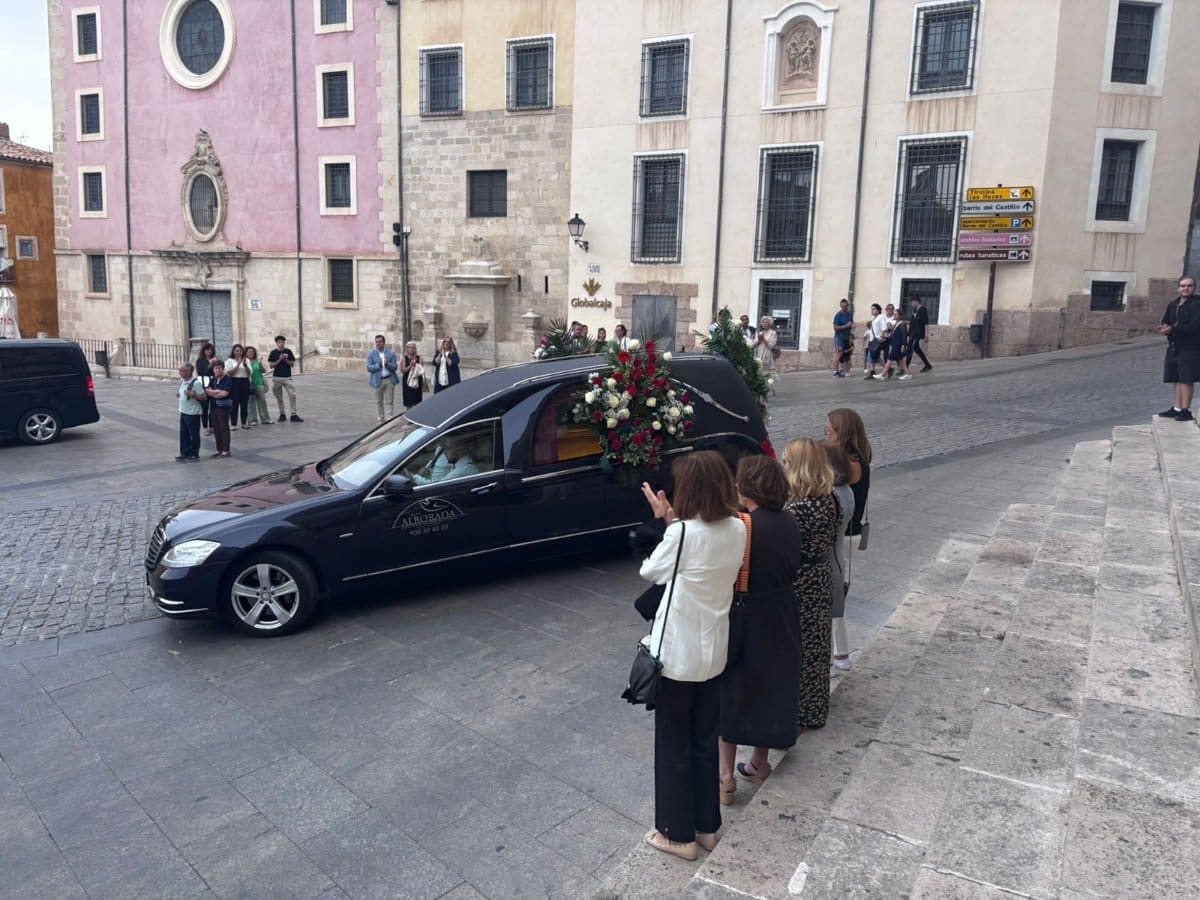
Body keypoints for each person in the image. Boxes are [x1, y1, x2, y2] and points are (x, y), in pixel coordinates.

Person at [638, 451, 747, 860]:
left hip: (678, 656)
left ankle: (676, 833)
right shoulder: (737, 528)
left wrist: (665, 523)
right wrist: (674, 525)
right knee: (704, 740)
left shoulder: (683, 535)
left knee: (672, 744)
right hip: (713, 651)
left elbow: (651, 572)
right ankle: (706, 827)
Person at [718, 456, 805, 805]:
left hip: (746, 614)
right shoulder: (790, 521)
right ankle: (759, 762)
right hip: (782, 611)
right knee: (770, 686)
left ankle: (725, 777)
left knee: (732, 689)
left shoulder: (742, 526)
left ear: (748, 486)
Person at [782, 438, 840, 732]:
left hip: (801, 580)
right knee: (817, 645)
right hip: (821, 575)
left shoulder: (798, 509)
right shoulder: (829, 499)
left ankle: (799, 714)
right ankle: (815, 708)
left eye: (787, 460)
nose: (783, 463)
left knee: (798, 647)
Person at [822, 441, 856, 671]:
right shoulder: (845, 491)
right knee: (835, 612)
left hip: (828, 560)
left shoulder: (831, 496)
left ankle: (833, 659)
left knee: (827, 614)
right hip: (836, 557)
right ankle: (841, 654)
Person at [825, 406, 872, 564]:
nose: (827, 434)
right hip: (849, 530)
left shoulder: (848, 462)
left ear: (841, 433)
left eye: (829, 429)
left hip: (846, 533)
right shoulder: (856, 457)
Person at [1156, 275, 1200, 421]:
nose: (1186, 288)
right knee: (1176, 377)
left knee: (1186, 379)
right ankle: (1177, 407)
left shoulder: (1197, 303)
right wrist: (1163, 328)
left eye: (1189, 286)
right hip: (1175, 346)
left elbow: (1195, 326)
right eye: (1183, 286)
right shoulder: (1173, 304)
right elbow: (1166, 320)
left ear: (1194, 288)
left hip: (1191, 347)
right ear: (1178, 288)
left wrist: (1173, 329)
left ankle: (1185, 410)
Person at [411, 434, 479, 484]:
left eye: (448, 448)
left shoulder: (463, 470)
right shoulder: (459, 465)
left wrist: (414, 478)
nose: (445, 452)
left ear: (460, 450)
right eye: (445, 448)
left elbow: (437, 486)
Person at [268, 335, 302, 422]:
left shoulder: (288, 351)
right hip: (277, 377)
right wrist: (279, 360)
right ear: (276, 343)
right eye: (279, 342)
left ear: (284, 342)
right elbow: (271, 366)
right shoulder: (273, 353)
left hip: (287, 377)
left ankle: (293, 415)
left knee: (292, 395)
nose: (281, 344)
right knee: (279, 397)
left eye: (282, 342)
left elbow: (292, 364)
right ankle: (282, 414)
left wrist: (286, 360)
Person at [367, 334, 400, 424]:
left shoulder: (391, 353)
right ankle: (381, 419)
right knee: (379, 401)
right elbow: (369, 368)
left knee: (389, 401)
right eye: (377, 342)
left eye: (380, 342)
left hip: (389, 379)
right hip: (378, 380)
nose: (378, 344)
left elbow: (395, 367)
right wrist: (379, 365)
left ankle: (389, 419)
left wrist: (387, 364)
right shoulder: (371, 353)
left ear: (384, 343)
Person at [175, 362, 204, 461]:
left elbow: (204, 396)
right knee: (184, 433)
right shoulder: (182, 381)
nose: (180, 372)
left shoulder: (196, 383)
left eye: (181, 370)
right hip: (183, 411)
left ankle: (194, 453)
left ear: (188, 372)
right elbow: (181, 392)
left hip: (192, 413)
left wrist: (193, 395)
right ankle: (185, 452)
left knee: (193, 434)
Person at [204, 360, 233, 458]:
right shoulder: (213, 379)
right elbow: (207, 391)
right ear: (213, 369)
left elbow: (224, 394)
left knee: (223, 428)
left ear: (223, 368)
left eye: (220, 368)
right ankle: (219, 449)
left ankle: (226, 450)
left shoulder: (227, 379)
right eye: (216, 368)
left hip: (223, 407)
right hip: (213, 406)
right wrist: (217, 392)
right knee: (216, 428)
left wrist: (213, 393)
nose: (218, 370)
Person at [225, 344, 252, 429]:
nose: (239, 352)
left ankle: (244, 423)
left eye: (240, 351)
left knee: (244, 403)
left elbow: (249, 373)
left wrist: (245, 365)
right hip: (234, 381)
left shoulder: (246, 360)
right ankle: (233, 424)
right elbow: (229, 373)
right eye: (237, 351)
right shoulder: (229, 361)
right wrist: (237, 365)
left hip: (244, 381)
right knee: (234, 404)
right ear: (233, 352)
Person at [244, 346, 270, 426]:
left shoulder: (257, 361)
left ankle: (265, 419)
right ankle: (253, 420)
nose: (251, 353)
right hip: (250, 385)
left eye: (252, 352)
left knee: (262, 402)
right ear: (246, 353)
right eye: (249, 352)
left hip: (259, 383)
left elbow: (263, 371)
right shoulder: (245, 362)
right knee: (251, 403)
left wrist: (260, 364)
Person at [195, 342, 217, 435]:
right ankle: (205, 427)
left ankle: (212, 426)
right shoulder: (200, 361)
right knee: (204, 407)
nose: (209, 352)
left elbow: (218, 371)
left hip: (213, 385)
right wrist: (209, 364)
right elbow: (201, 372)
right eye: (208, 350)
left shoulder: (214, 360)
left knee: (213, 407)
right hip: (203, 385)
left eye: (211, 350)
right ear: (204, 351)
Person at [906, 297, 932, 372]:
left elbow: (926, 323)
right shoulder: (914, 310)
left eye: (912, 302)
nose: (911, 304)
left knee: (910, 348)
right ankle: (927, 365)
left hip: (918, 333)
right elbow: (912, 322)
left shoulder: (923, 310)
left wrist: (926, 335)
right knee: (916, 348)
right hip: (912, 332)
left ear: (916, 301)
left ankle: (906, 367)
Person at [400, 341, 425, 410]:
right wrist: (410, 366)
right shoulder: (404, 358)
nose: (411, 349)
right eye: (410, 347)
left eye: (413, 347)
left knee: (417, 402)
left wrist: (416, 366)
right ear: (407, 349)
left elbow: (422, 370)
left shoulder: (419, 358)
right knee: (408, 402)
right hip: (407, 382)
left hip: (417, 381)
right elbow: (403, 371)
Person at [832, 299, 854, 377]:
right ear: (840, 306)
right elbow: (835, 328)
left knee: (846, 354)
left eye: (845, 306)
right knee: (839, 352)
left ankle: (844, 370)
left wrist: (852, 325)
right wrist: (846, 326)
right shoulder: (838, 315)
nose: (844, 307)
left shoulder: (850, 314)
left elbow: (851, 323)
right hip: (839, 337)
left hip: (847, 337)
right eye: (842, 306)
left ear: (847, 306)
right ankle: (835, 370)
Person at [864, 304, 885, 380]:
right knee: (875, 357)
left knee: (871, 356)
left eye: (874, 309)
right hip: (873, 340)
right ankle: (874, 371)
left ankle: (873, 372)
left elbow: (884, 328)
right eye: (871, 309)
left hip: (878, 340)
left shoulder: (881, 317)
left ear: (878, 310)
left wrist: (881, 337)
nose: (872, 311)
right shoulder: (875, 319)